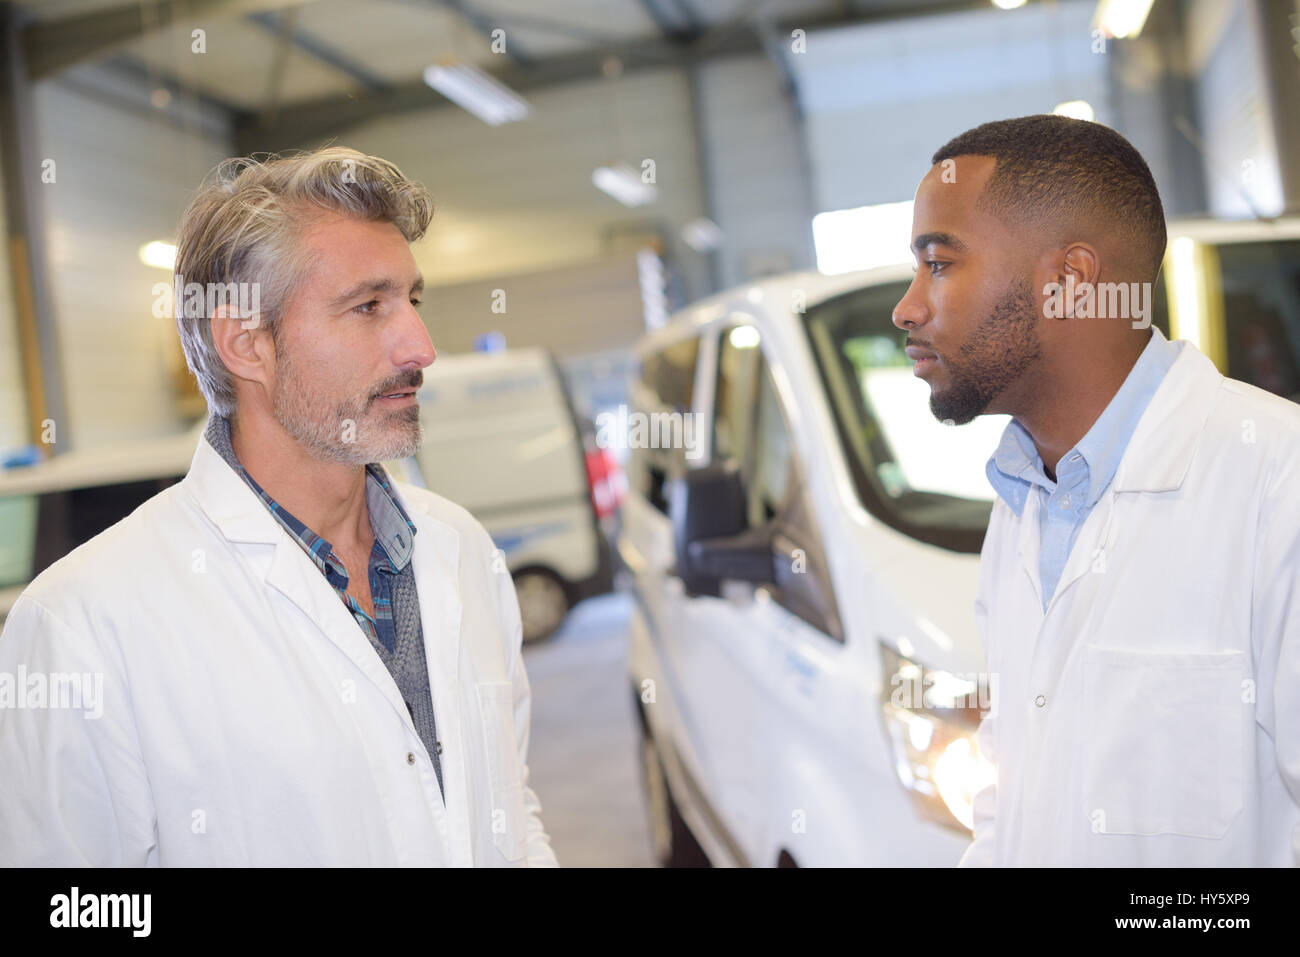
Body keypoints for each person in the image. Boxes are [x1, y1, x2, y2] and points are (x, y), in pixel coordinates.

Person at [0, 147, 558, 866]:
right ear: (246, 342)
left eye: (412, 300)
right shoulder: (84, 623)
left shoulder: (460, 547)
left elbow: (511, 812)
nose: (420, 346)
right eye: (367, 306)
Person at [892, 114, 1300, 866]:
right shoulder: (1024, 499)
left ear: (1071, 282)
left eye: (939, 263)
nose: (908, 307)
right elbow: (1006, 806)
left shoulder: (1279, 485)